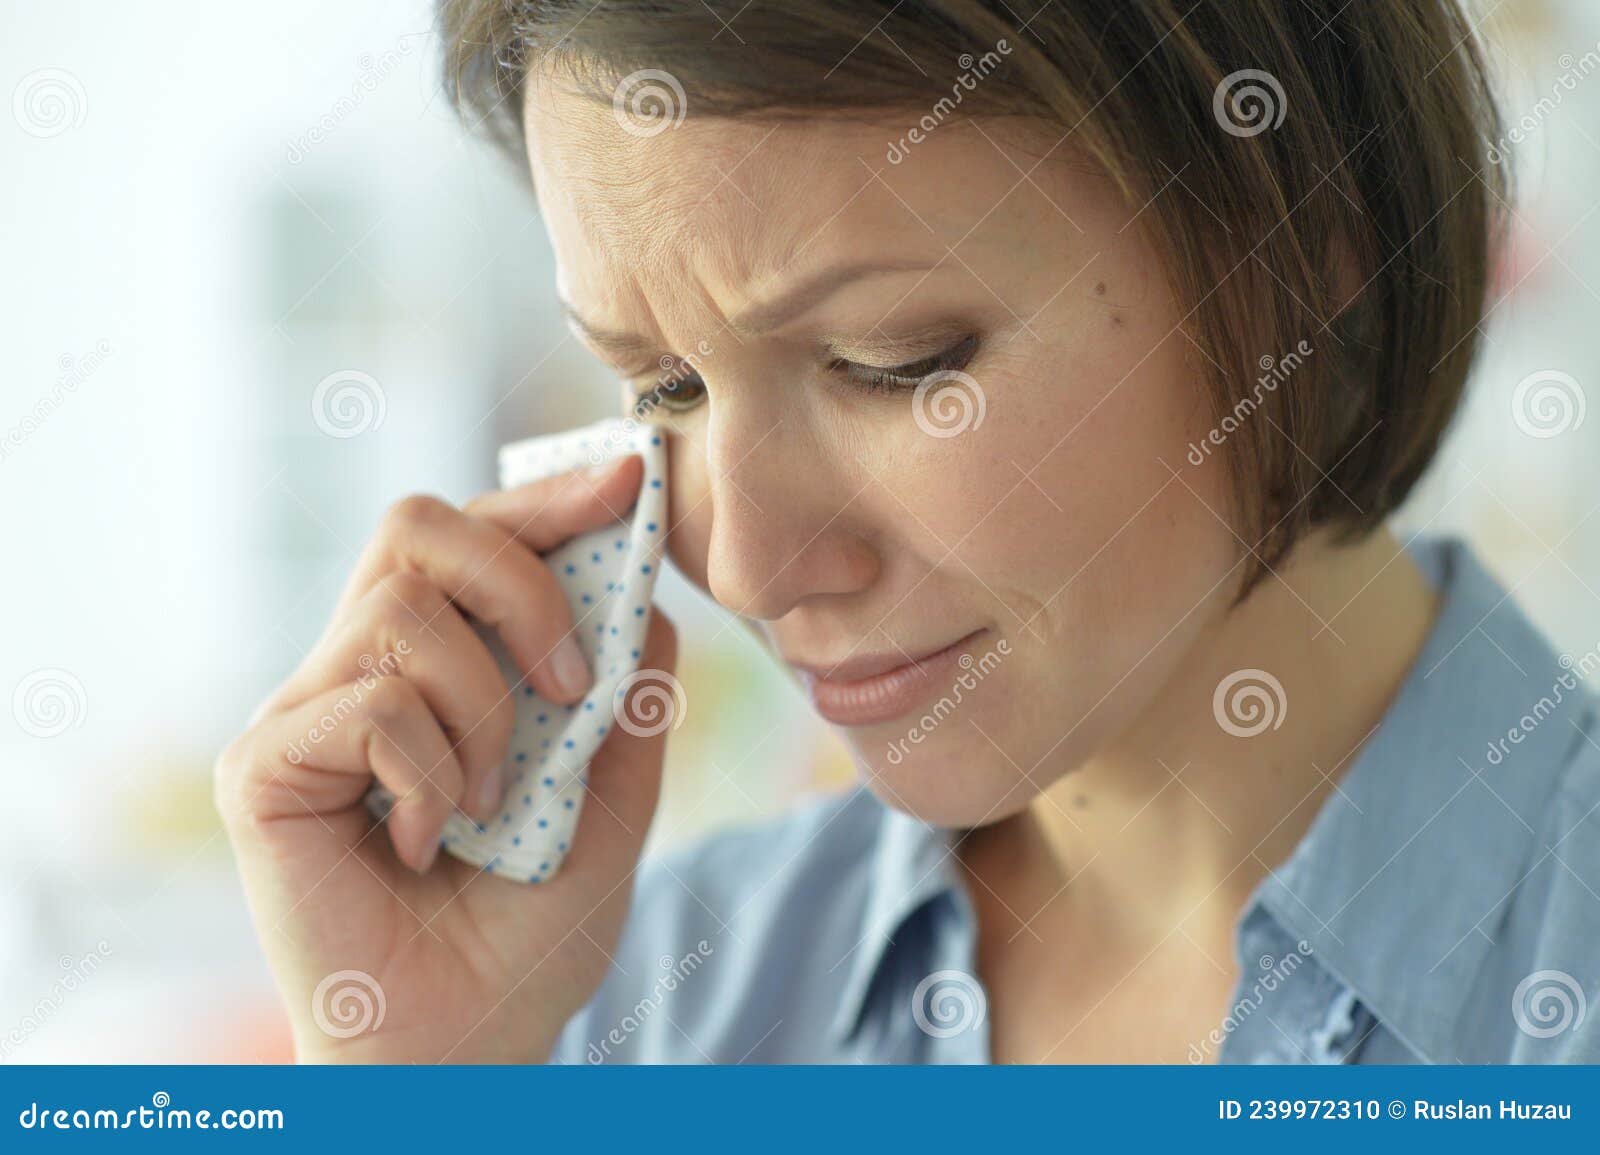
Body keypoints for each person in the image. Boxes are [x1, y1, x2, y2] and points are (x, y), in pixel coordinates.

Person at [216, 0, 1600, 1063]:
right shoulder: (642, 1005)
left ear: (1316, 242)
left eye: (895, 359)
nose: (744, 567)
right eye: (660, 384)